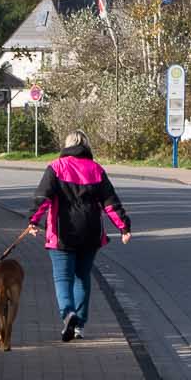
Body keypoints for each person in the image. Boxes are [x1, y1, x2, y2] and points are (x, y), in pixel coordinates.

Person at [23, 132, 132, 341]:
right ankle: (80, 325)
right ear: (86, 146)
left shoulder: (56, 167)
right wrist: (123, 227)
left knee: (62, 277)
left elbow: (42, 198)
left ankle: (68, 313)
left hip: (62, 232)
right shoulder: (97, 169)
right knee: (82, 278)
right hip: (90, 233)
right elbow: (111, 202)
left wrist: (33, 221)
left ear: (67, 145)